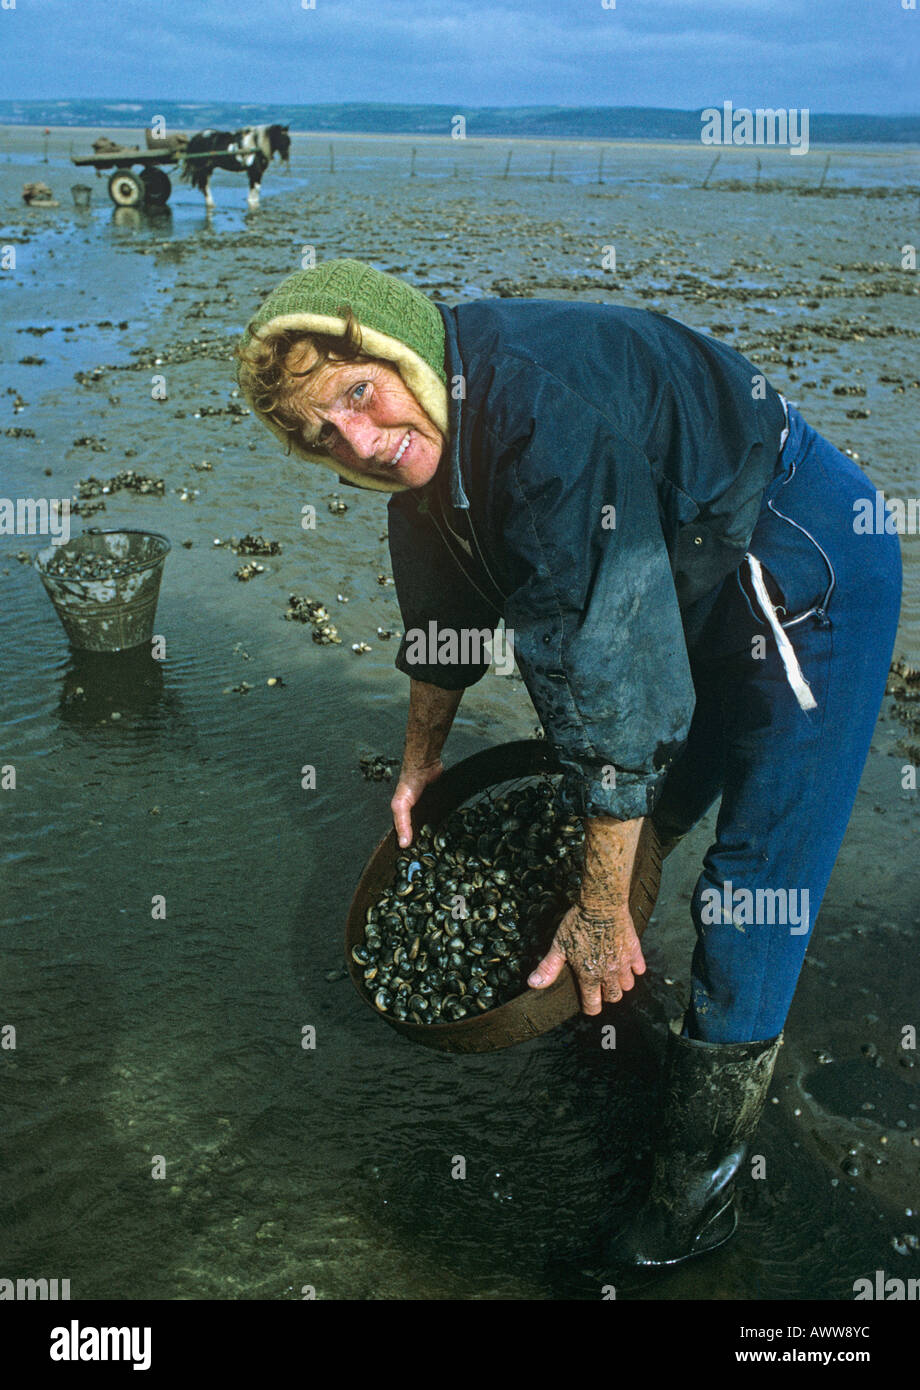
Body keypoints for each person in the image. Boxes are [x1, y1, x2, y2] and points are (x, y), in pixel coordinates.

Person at [237, 258, 902, 1267]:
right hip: (681, 556)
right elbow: (446, 613)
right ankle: (618, 990)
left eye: (359, 396)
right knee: (629, 809)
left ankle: (695, 1191)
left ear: (398, 354)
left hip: (795, 558)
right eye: (325, 434)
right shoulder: (430, 449)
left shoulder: (538, 421)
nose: (361, 442)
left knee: (752, 880)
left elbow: (604, 668)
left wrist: (596, 901)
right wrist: (419, 762)